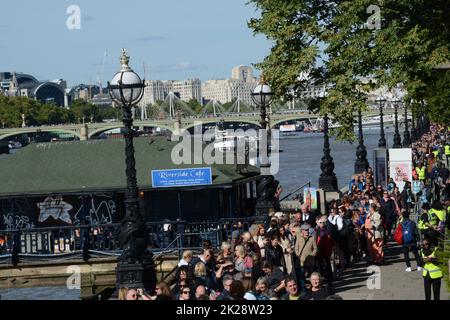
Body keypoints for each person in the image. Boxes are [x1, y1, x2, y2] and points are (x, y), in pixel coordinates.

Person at [294, 223, 317, 292]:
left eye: (307, 230)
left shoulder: (312, 238)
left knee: (311, 276)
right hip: (302, 261)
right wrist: (298, 255)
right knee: (302, 277)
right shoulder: (299, 237)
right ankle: (303, 290)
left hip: (310, 261)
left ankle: (313, 288)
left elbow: (315, 249)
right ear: (302, 231)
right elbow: (296, 248)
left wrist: (312, 254)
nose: (307, 231)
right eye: (305, 230)